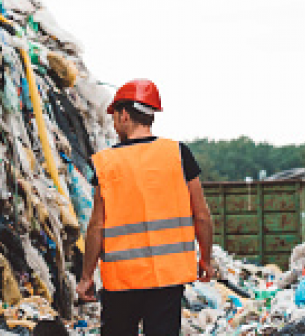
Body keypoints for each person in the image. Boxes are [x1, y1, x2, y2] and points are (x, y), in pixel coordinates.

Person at [76, 79, 215, 336]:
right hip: (167, 277)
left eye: (114, 116)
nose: (114, 123)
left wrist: (86, 277)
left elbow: (96, 226)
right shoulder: (178, 154)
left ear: (124, 114)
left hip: (121, 280)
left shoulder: (106, 164)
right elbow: (202, 215)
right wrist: (205, 258)